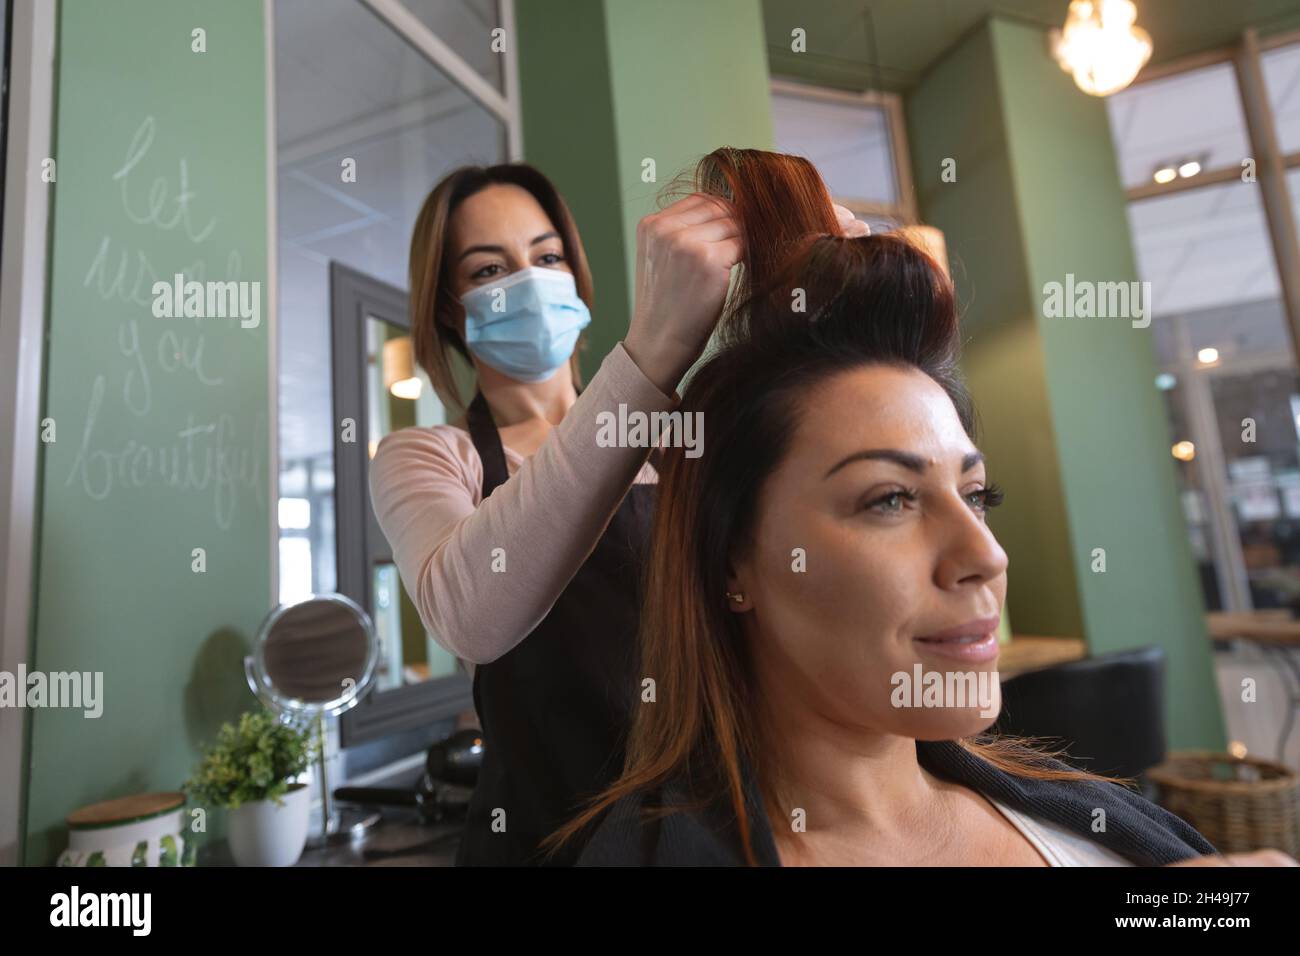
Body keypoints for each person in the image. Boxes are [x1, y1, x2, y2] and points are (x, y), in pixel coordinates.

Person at [545, 147, 1297, 868]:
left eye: (975, 495)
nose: (987, 556)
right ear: (731, 562)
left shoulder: (1115, 834)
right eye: (891, 499)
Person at [368, 158, 869, 865]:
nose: (528, 283)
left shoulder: (677, 441)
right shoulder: (429, 455)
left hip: (704, 838)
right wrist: (652, 354)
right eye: (488, 271)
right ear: (450, 308)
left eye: (546, 258)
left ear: (575, 275)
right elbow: (469, 612)